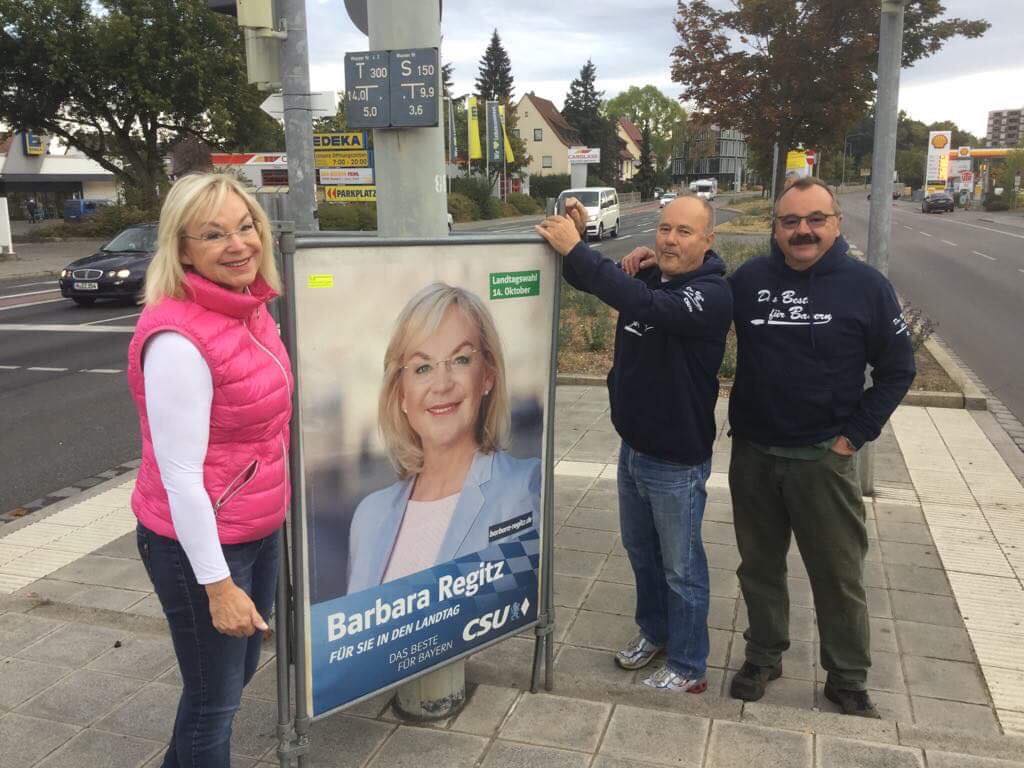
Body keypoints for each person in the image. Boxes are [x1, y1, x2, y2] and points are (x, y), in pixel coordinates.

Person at [726, 177, 915, 717]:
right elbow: (692, 297)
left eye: (815, 219)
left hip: (822, 460)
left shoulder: (867, 287)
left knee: (837, 575)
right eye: (790, 221)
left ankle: (847, 678)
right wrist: (646, 262)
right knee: (759, 567)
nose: (802, 230)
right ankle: (764, 656)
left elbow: (899, 370)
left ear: (836, 224)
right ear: (775, 229)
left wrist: (852, 437)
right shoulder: (750, 280)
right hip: (755, 455)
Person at [126, 173, 293, 766]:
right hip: (200, 543)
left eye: (245, 226)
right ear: (183, 249)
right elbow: (180, 479)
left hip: (254, 528)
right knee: (213, 705)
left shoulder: (249, 310)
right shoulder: (178, 339)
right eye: (214, 234)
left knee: (232, 676)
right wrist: (218, 585)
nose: (239, 243)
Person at [536, 195, 732, 692]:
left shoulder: (709, 293)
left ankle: (689, 667)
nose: (669, 239)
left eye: (684, 232)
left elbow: (651, 308)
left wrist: (580, 250)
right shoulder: (648, 276)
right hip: (634, 448)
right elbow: (595, 282)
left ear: (708, 241)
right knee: (642, 554)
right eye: (665, 228)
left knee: (682, 568)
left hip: (677, 459)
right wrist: (574, 246)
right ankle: (655, 633)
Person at [346, 282, 540, 593]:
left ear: (487, 376)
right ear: (401, 394)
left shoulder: (523, 488)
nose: (441, 384)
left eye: (461, 360)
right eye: (422, 367)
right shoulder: (368, 517)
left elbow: (512, 603)